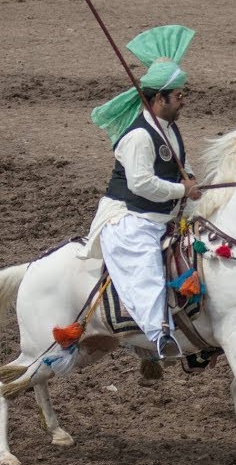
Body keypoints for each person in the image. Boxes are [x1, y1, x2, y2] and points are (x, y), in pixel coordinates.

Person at [83, 25, 200, 362]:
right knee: (146, 268)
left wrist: (192, 181)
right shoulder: (138, 137)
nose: (183, 100)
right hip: (130, 219)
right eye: (178, 95)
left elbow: (182, 165)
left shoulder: (170, 129)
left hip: (162, 217)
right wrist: (182, 189)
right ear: (160, 99)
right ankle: (159, 335)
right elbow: (142, 184)